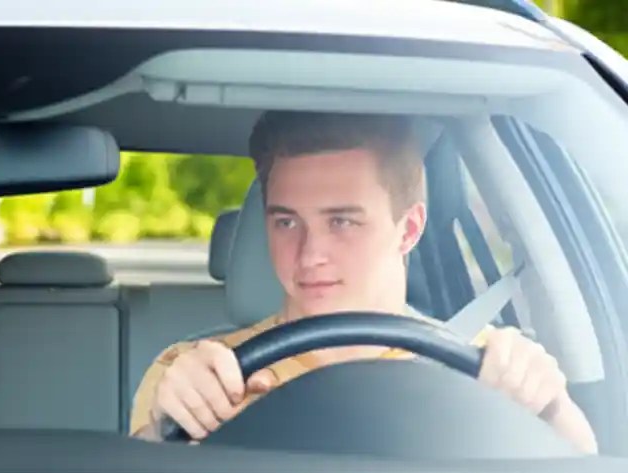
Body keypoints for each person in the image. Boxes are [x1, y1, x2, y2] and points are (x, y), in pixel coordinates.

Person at [130, 110, 598, 454]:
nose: (310, 255)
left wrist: (550, 407)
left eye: (342, 223)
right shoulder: (198, 375)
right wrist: (165, 426)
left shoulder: (488, 366)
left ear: (409, 228)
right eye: (287, 223)